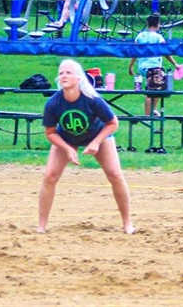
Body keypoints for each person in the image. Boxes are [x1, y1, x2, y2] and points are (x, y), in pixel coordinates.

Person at [38, 59, 134, 234]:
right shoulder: (53, 103)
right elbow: (50, 132)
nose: (64, 76)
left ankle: (127, 223)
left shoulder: (92, 99)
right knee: (49, 176)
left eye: (68, 72)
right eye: (61, 73)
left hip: (98, 135)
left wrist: (96, 143)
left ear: (79, 78)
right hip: (67, 137)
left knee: (115, 175)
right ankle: (41, 226)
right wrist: (67, 148)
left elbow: (113, 123)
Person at [127, 13, 179, 116]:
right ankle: (148, 115)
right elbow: (165, 52)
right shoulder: (158, 37)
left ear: (147, 23)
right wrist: (175, 64)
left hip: (142, 67)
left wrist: (130, 66)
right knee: (153, 91)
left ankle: (152, 110)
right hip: (154, 67)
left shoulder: (140, 35)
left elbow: (135, 52)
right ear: (158, 24)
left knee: (157, 87)